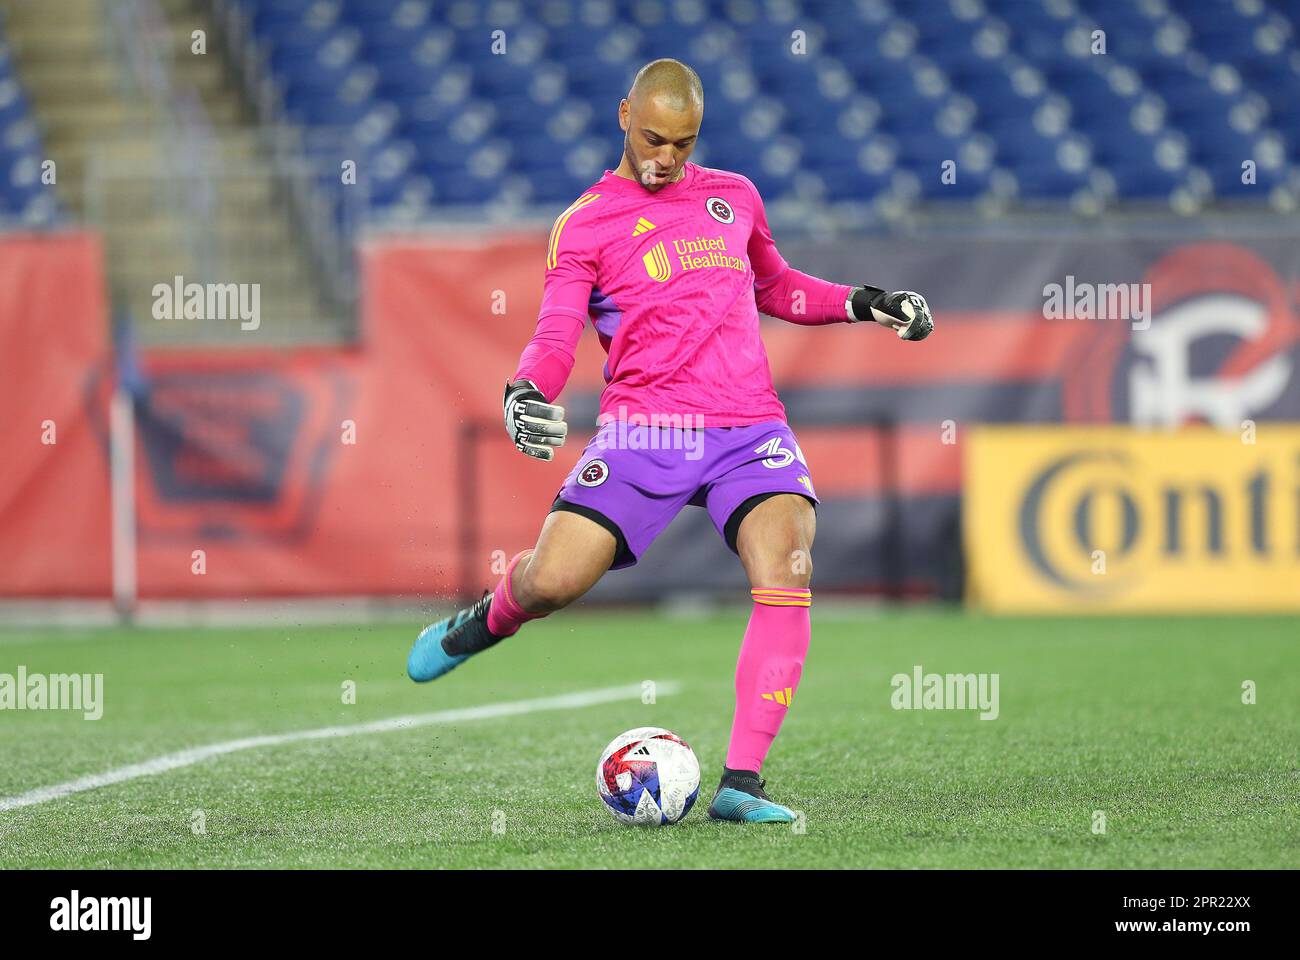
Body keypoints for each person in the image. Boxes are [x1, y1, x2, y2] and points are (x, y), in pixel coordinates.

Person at [408, 58, 933, 823]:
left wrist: (866, 302)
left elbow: (776, 284)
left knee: (788, 559)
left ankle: (741, 784)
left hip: (747, 427)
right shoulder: (585, 221)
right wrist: (526, 391)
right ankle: (486, 621)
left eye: (682, 144)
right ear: (625, 115)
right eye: (653, 139)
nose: (665, 159)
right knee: (552, 582)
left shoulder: (734, 197)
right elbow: (557, 332)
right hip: (643, 430)